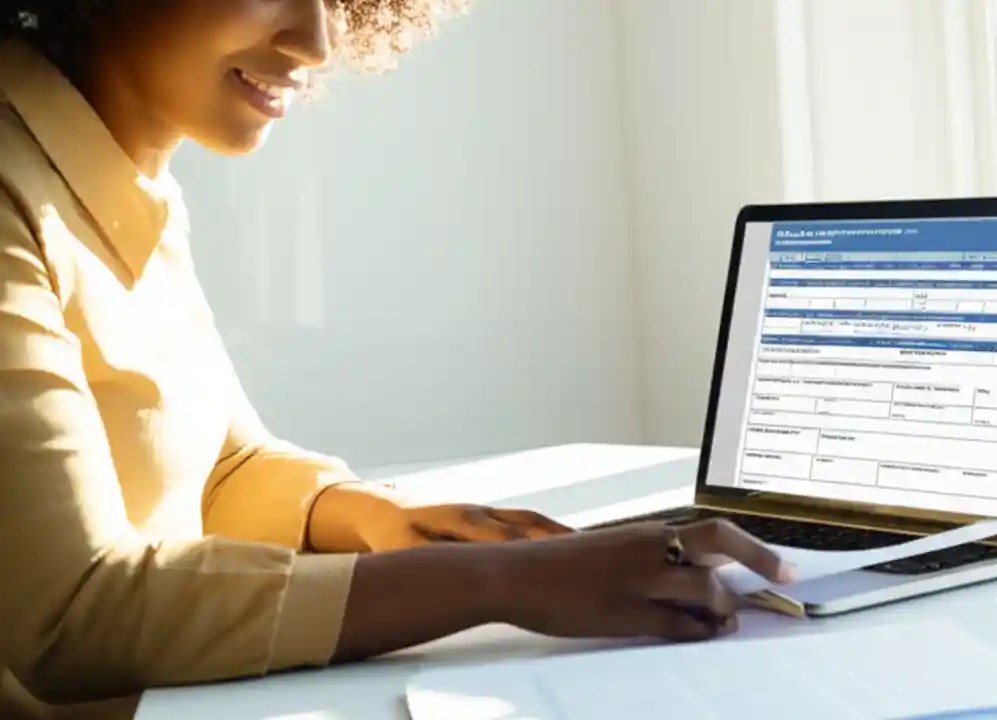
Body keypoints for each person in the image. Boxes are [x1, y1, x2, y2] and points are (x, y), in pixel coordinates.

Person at [0, 2, 794, 717]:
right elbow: (72, 618)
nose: (314, 43)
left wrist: (381, 518)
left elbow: (219, 468)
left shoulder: (119, 176)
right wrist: (506, 584)